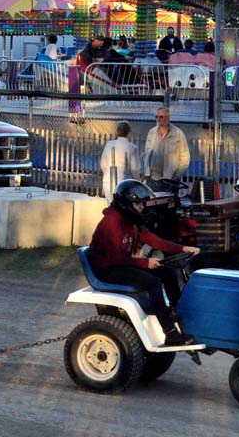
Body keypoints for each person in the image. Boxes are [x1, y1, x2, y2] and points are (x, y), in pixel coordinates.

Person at [87, 179, 201, 346]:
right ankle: (170, 333)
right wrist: (145, 263)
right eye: (138, 203)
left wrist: (183, 248)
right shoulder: (112, 223)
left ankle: (178, 313)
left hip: (120, 264)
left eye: (142, 204)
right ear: (126, 203)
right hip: (106, 269)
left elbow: (154, 240)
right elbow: (116, 258)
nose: (142, 207)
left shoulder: (132, 221)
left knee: (167, 273)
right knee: (152, 282)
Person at [142, 106, 191, 190]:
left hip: (170, 179)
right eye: (157, 116)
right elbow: (147, 153)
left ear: (168, 118)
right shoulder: (152, 132)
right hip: (152, 178)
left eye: (161, 116)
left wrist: (176, 175)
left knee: (169, 202)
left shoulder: (178, 134)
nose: (158, 119)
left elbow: (185, 157)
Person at [99, 121, 141, 202]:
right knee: (123, 208)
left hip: (108, 182)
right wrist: (137, 181)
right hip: (124, 184)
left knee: (112, 208)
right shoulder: (132, 148)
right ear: (129, 132)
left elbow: (103, 164)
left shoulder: (109, 144)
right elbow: (135, 169)